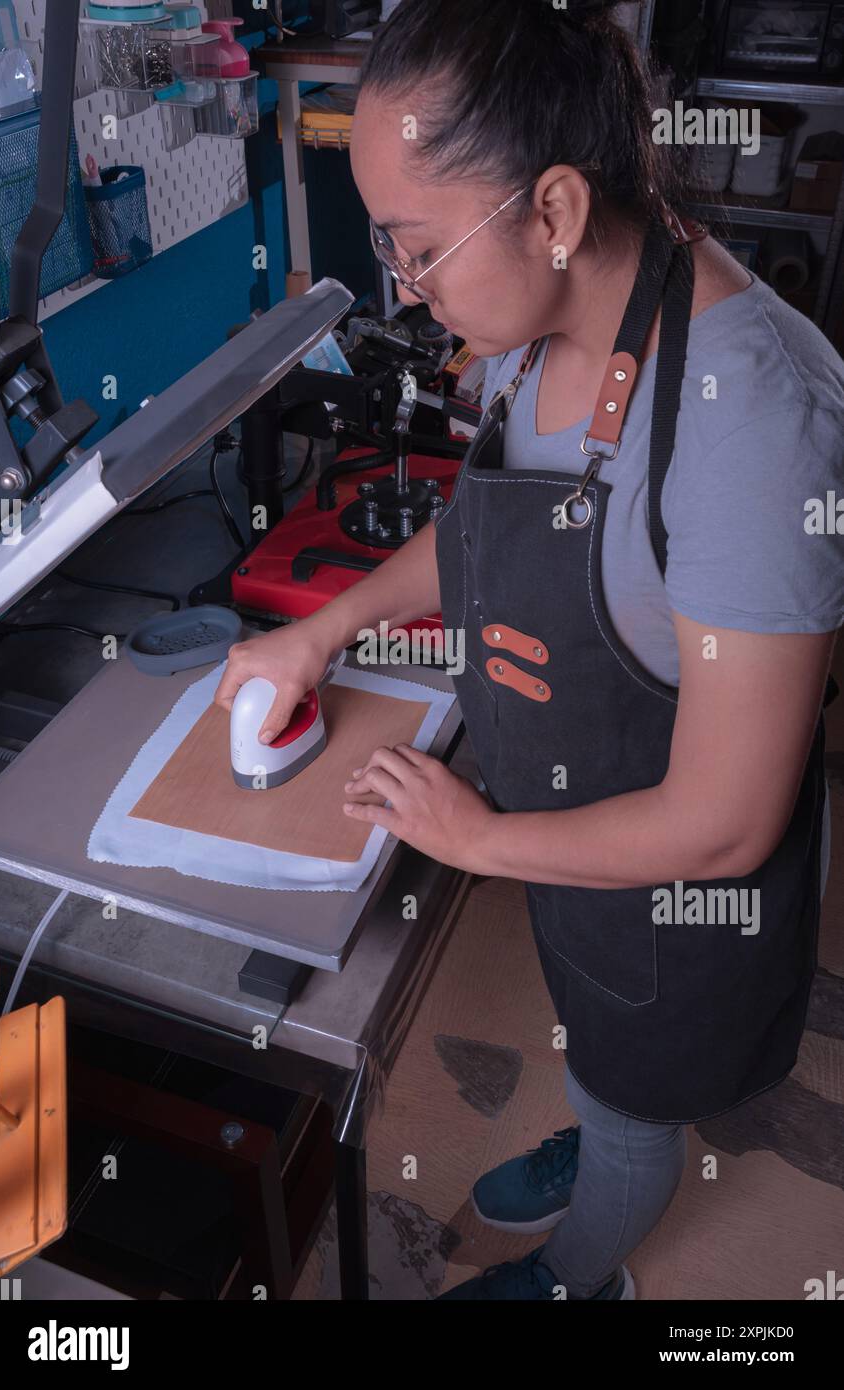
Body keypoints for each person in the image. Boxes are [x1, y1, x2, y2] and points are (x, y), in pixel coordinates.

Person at [215, 0, 843, 1300]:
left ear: (552, 210)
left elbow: (722, 824)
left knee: (636, 1090)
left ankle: (578, 1270)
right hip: (578, 842)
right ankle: (607, 1124)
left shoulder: (745, 431)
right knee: (599, 1061)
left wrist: (477, 837)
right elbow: (476, 527)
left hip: (680, 896)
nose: (402, 283)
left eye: (417, 245)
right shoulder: (543, 324)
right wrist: (322, 627)